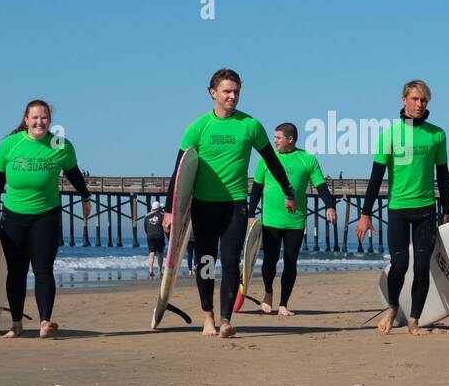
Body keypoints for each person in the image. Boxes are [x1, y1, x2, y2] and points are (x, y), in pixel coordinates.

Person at [163, 68, 295, 339]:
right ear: (213, 93)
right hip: (203, 205)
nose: (232, 96)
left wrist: (288, 190)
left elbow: (272, 161)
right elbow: (179, 171)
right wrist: (169, 210)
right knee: (207, 261)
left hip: (235, 204)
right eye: (226, 91)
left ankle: (225, 320)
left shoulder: (250, 126)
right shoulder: (198, 127)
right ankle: (208, 317)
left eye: (236, 91)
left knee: (232, 262)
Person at [0, 98, 91, 339]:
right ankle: (17, 323)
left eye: (44, 117)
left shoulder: (60, 145)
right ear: (26, 120)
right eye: (35, 117)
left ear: (49, 120)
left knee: (43, 269)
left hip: (46, 216)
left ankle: (44, 322)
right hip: (13, 217)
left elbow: (73, 173)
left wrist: (85, 197)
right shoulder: (9, 145)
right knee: (17, 272)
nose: (40, 121)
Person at [355, 80, 449, 336]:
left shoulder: (437, 134)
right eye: (415, 99)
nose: (419, 105)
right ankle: (392, 306)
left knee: (421, 266)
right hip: (398, 208)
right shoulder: (390, 134)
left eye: (424, 101)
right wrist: (365, 214)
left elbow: (443, 174)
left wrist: (446, 208)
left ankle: (414, 321)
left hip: (426, 209)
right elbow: (375, 177)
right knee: (399, 265)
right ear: (404, 99)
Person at [248, 122, 337, 316]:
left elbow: (321, 186)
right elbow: (256, 189)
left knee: (290, 262)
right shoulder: (266, 159)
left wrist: (330, 205)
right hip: (271, 220)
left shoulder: (307, 159)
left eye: (278, 138)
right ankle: (268, 292)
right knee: (269, 261)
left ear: (290, 139)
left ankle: (283, 304)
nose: (275, 141)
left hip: (295, 221)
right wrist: (250, 214)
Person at [143, 201, 165, 277]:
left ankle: (150, 270)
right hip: (159, 236)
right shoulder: (162, 215)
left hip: (150, 236)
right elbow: (165, 227)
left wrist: (149, 234)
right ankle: (159, 271)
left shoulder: (147, 216)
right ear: (159, 208)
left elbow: (145, 228)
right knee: (160, 253)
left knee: (151, 253)